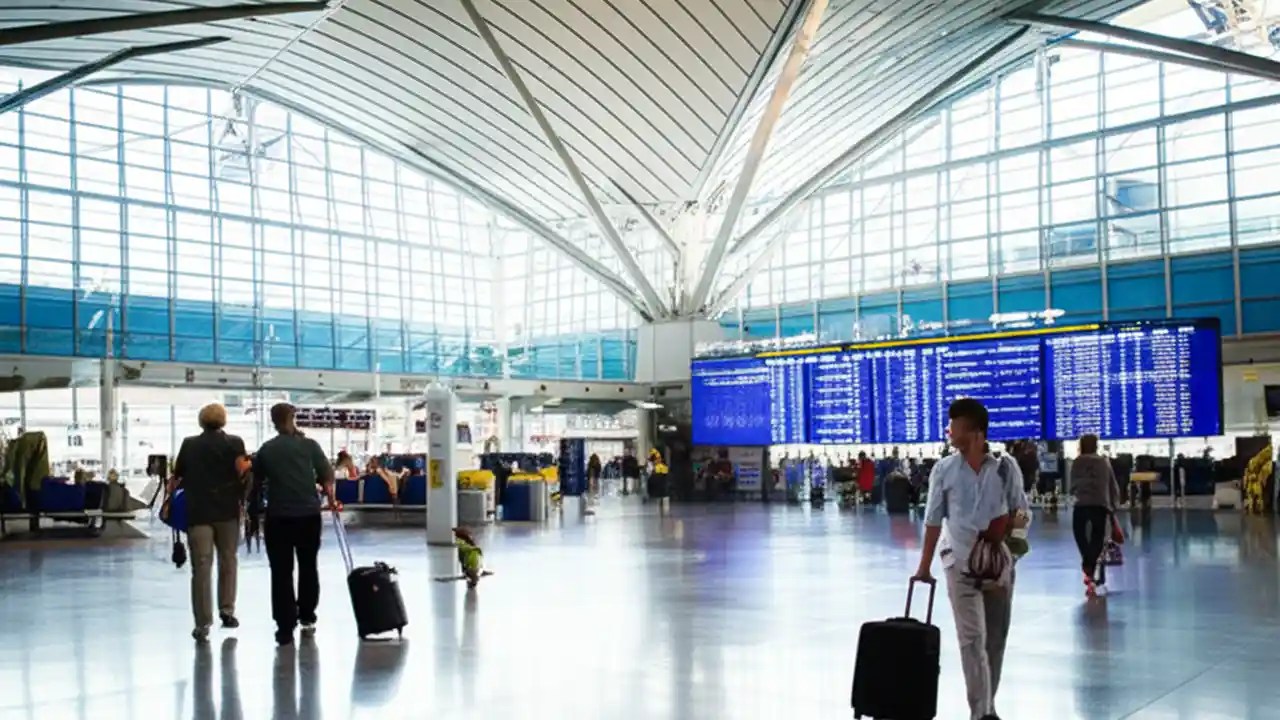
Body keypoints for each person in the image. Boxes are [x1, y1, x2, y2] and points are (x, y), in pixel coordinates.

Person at [913, 399, 1029, 720]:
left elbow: (1021, 513)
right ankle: (982, 714)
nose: (950, 432)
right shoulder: (944, 469)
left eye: (957, 426)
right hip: (959, 566)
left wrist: (1010, 556)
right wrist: (924, 567)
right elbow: (934, 520)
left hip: (998, 569)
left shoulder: (1006, 468)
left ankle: (987, 705)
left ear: (975, 432)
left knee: (994, 640)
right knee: (972, 640)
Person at [252, 403, 340, 646]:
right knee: (308, 565)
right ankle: (308, 614)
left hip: (278, 516)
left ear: (273, 421)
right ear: (293, 418)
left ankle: (284, 626)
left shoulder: (267, 449)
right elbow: (327, 476)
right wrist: (331, 499)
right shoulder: (309, 445)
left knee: (281, 572)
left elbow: (255, 481)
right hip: (308, 515)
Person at [172, 403, 248, 642]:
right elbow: (243, 474)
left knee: (201, 567)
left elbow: (179, 474)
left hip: (199, 511)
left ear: (201, 421)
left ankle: (202, 623)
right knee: (228, 561)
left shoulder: (189, 444)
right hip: (227, 511)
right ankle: (227, 610)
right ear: (223, 421)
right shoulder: (235, 443)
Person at [1070, 434, 1121, 597]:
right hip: (1100, 505)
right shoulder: (1103, 462)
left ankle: (1088, 565)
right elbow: (1112, 485)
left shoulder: (1076, 462)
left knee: (1080, 536)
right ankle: (1090, 566)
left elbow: (1071, 487)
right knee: (1097, 538)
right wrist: (1114, 506)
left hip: (1081, 504)